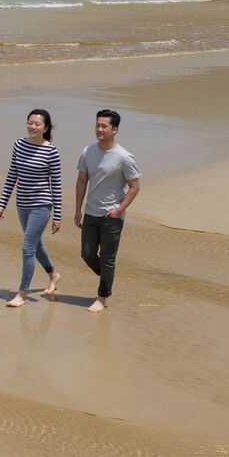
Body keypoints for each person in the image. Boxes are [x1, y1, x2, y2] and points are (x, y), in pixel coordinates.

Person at [0, 108, 64, 307]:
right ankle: (53, 274)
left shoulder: (51, 151)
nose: (33, 126)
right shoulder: (19, 144)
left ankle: (21, 294)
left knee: (27, 248)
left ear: (46, 127)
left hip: (41, 206)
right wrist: (2, 203)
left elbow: (56, 186)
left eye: (37, 124)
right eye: (30, 122)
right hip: (22, 204)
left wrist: (57, 216)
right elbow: (12, 175)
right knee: (36, 244)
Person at [73, 109, 140, 313]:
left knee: (108, 258)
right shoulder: (87, 152)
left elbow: (135, 186)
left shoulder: (124, 157)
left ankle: (102, 297)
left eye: (104, 126)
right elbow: (82, 180)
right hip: (91, 213)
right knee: (87, 254)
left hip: (111, 216)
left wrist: (120, 210)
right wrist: (78, 209)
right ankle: (107, 277)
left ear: (115, 129)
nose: (99, 129)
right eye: (97, 125)